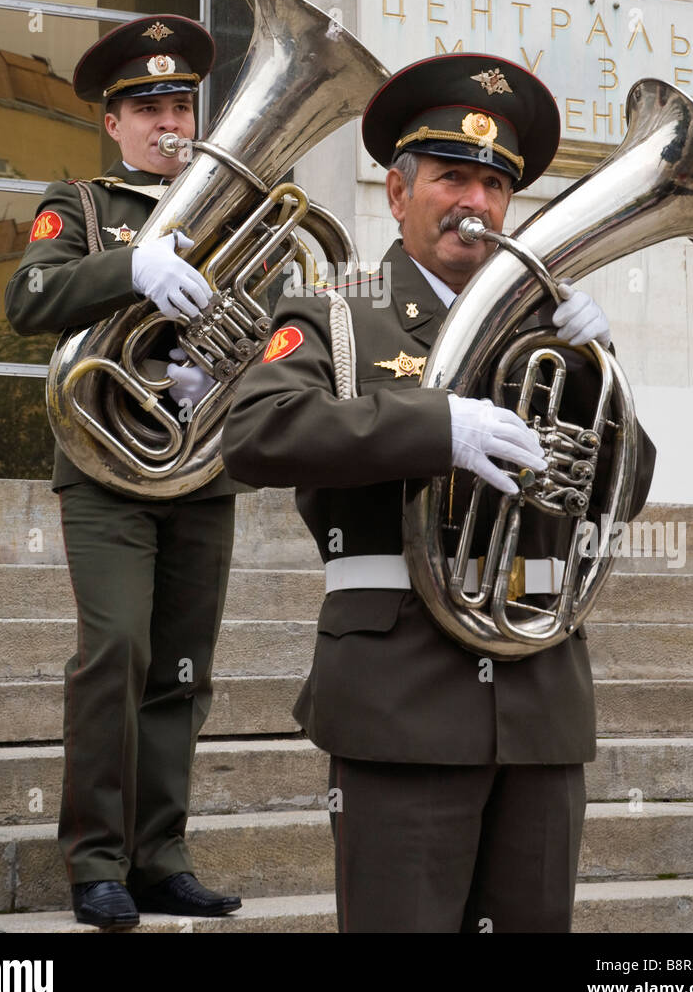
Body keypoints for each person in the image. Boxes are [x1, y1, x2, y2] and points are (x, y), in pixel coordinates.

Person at [221, 52, 656, 934]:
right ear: (396, 192)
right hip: (402, 695)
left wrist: (593, 377)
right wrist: (436, 428)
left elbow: (629, 490)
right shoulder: (338, 309)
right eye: (452, 177)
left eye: (497, 187)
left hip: (539, 698)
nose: (478, 204)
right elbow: (256, 435)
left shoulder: (548, 334)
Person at [6, 16, 242, 928]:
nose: (168, 121)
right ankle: (96, 861)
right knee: (117, 652)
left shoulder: (234, 211)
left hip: (199, 466)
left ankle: (162, 855)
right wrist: (128, 268)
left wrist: (226, 365)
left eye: (180, 103)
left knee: (182, 666)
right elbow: (26, 298)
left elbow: (281, 331)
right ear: (114, 123)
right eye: (148, 109)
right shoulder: (84, 206)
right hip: (105, 466)